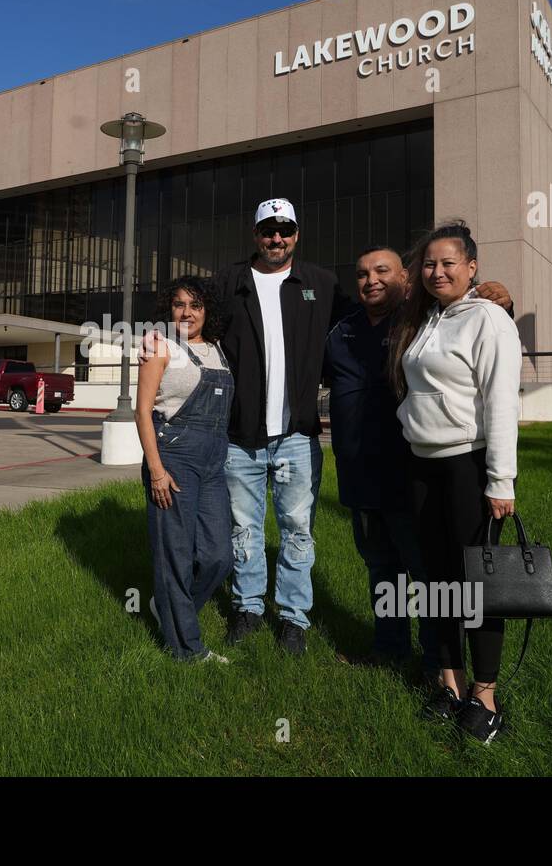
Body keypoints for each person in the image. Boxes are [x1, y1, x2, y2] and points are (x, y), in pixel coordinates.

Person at [145, 198, 347, 656]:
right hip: (238, 438)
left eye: (286, 229)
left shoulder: (321, 283)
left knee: (297, 530)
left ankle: (294, 617)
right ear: (255, 234)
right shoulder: (229, 282)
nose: (277, 238)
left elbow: (366, 320)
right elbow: (189, 320)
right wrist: (156, 334)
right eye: (268, 230)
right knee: (243, 531)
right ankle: (248, 608)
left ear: (296, 233)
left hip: (297, 436)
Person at [325, 246, 511, 678]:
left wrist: (500, 295)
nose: (371, 280)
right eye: (362, 273)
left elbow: (468, 323)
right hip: (358, 476)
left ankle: (437, 661)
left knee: (428, 574)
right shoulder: (342, 330)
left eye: (382, 271)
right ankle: (390, 648)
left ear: (406, 280)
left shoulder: (419, 321)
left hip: (413, 475)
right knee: (381, 569)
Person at [390, 221, 523, 744]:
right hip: (422, 465)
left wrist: (501, 480)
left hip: (469, 467)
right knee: (439, 581)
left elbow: (502, 403)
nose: (437, 271)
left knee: (479, 584)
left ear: (472, 267)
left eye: (449, 262)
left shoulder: (488, 319)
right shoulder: (424, 319)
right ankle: (451, 682)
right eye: (428, 263)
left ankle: (486, 696)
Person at [136, 276, 235, 662]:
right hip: (174, 455)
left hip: (213, 460)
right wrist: (157, 470)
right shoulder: (159, 347)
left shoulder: (218, 350)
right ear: (169, 310)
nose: (187, 312)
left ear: (207, 311)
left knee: (218, 556)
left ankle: (171, 610)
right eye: (179, 305)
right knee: (174, 554)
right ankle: (187, 649)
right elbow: (142, 411)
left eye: (195, 305)